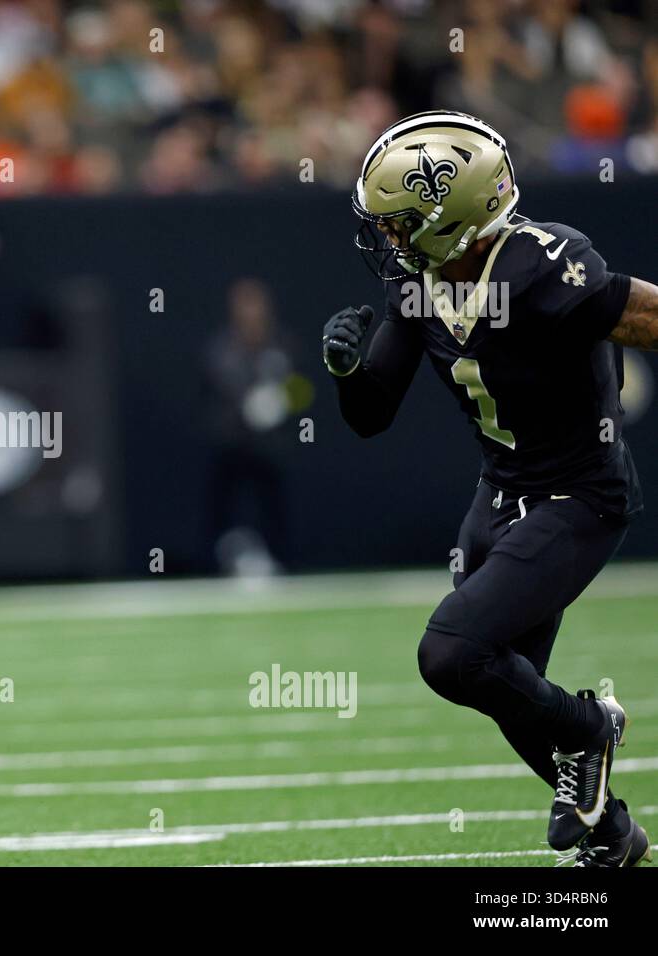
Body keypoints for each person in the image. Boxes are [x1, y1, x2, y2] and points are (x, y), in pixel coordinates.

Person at [324, 109, 656, 867]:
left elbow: (647, 315)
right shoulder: (422, 280)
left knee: (450, 653)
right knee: (507, 686)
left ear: (452, 218)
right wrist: (346, 373)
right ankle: (614, 839)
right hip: (500, 494)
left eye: (400, 224)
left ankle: (590, 729)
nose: (389, 240)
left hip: (580, 497)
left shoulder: (543, 263)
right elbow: (373, 412)